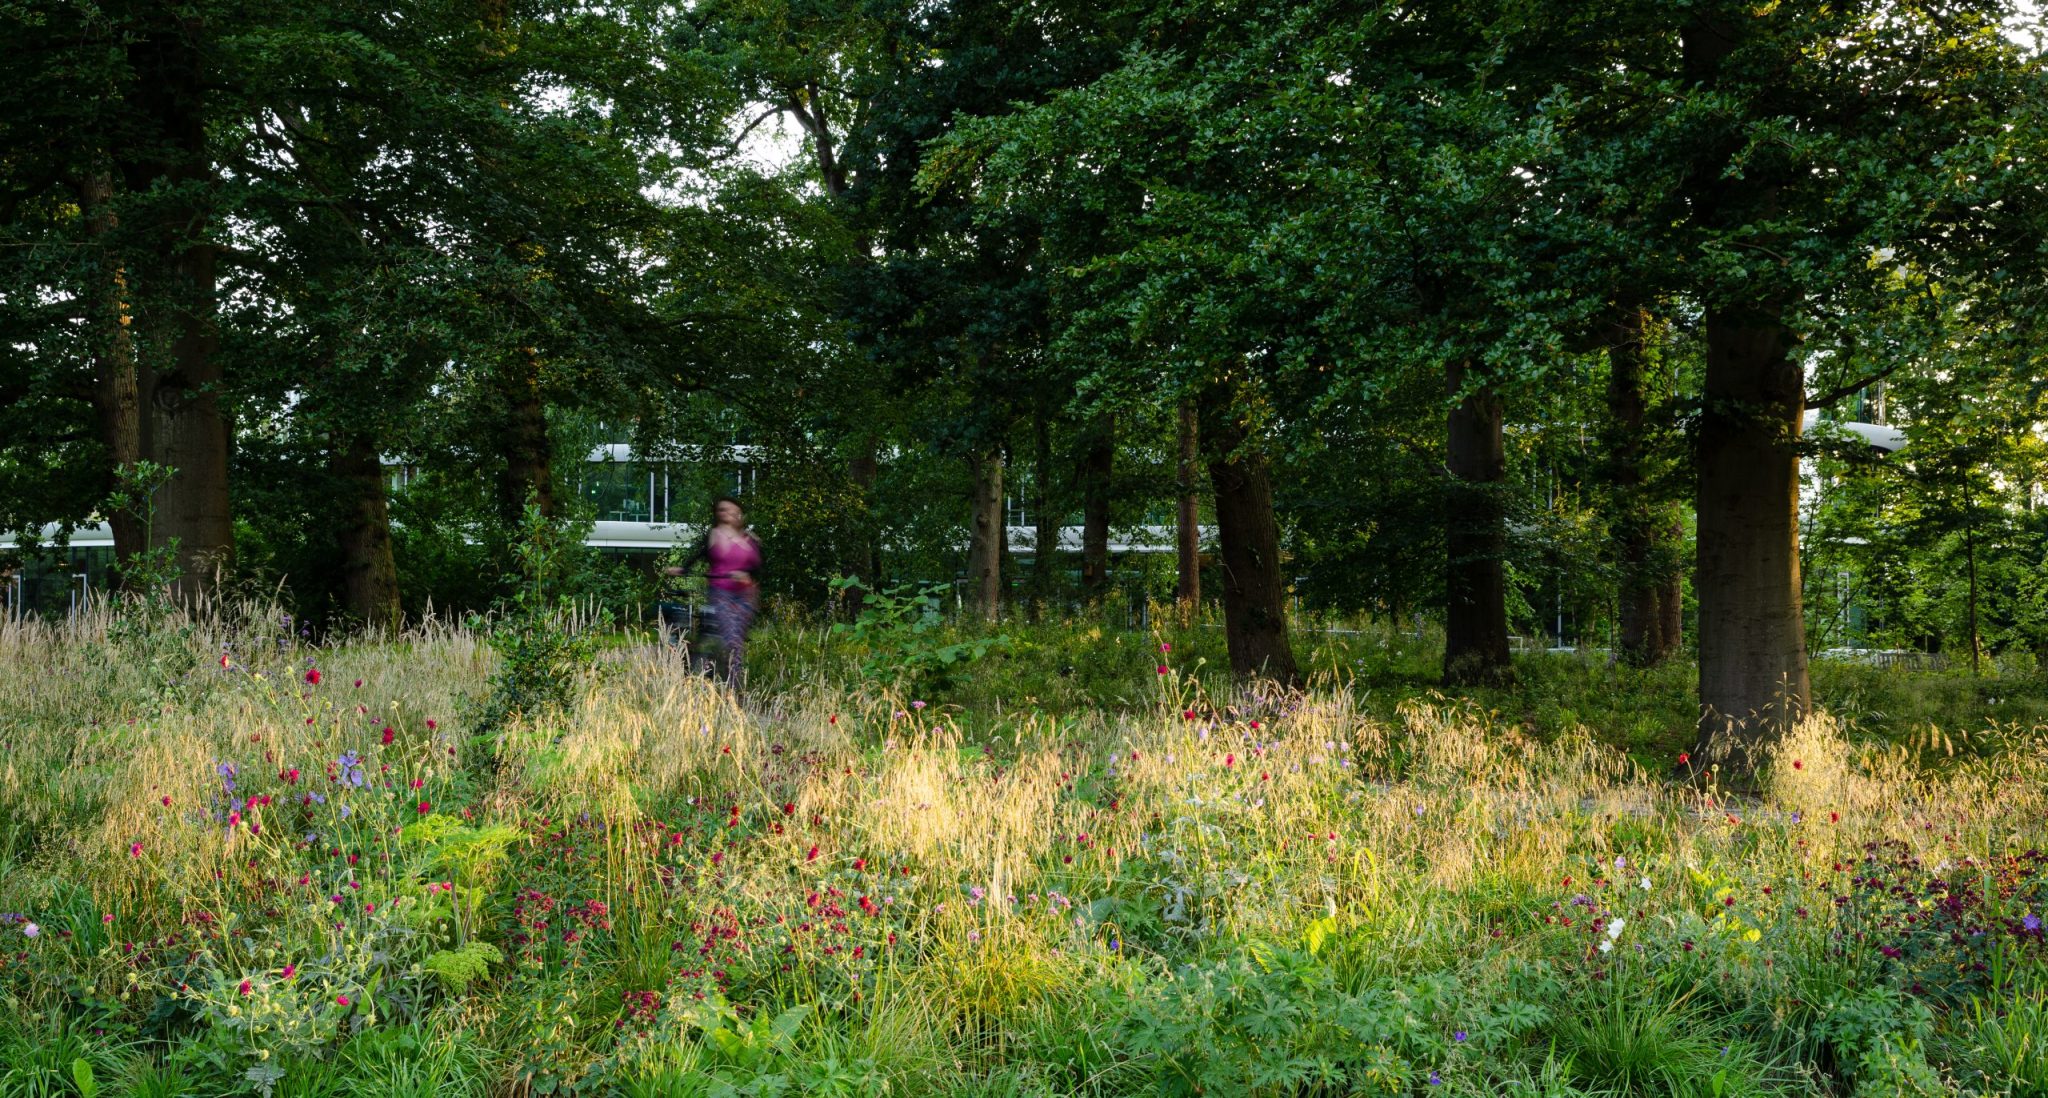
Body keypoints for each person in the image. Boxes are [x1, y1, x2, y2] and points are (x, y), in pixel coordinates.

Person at [663, 497, 761, 683]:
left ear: (739, 513)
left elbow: (759, 567)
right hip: (720, 592)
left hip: (745, 595)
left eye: (731, 509)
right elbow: (698, 554)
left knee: (736, 639)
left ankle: (729, 679)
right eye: (722, 509)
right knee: (731, 638)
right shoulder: (714, 535)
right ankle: (732, 686)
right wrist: (683, 569)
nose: (726, 513)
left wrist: (746, 574)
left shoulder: (750, 539)